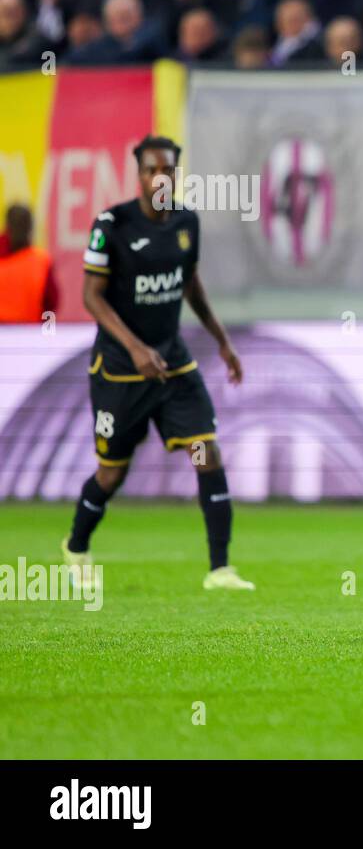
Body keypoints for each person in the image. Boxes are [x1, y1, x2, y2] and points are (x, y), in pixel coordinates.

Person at [65, 136, 253, 592]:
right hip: (119, 371)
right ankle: (75, 547)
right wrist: (133, 348)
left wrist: (222, 341)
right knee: (112, 473)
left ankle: (220, 570)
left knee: (206, 451)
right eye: (152, 171)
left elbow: (190, 285)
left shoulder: (187, 222)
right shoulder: (112, 225)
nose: (160, 178)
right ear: (140, 176)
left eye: (168, 170)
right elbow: (91, 296)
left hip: (171, 363)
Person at [0, 205, 58, 323]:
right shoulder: (41, 260)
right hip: (29, 334)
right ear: (30, 228)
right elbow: (51, 303)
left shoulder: (41, 260)